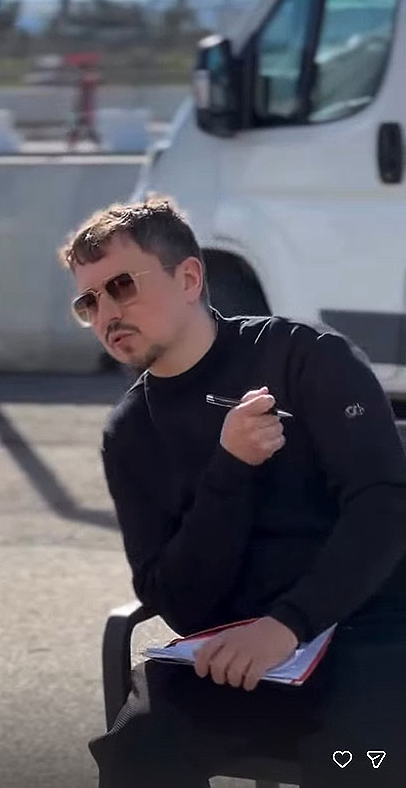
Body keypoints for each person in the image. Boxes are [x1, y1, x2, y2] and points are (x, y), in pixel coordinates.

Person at [58, 196, 406, 788]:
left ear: (189, 277)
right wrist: (230, 470)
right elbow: (177, 600)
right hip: (240, 656)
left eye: (122, 286)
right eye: (88, 301)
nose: (106, 313)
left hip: (368, 632)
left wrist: (289, 623)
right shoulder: (130, 433)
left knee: (358, 766)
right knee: (139, 752)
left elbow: (386, 504)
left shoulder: (304, 358)